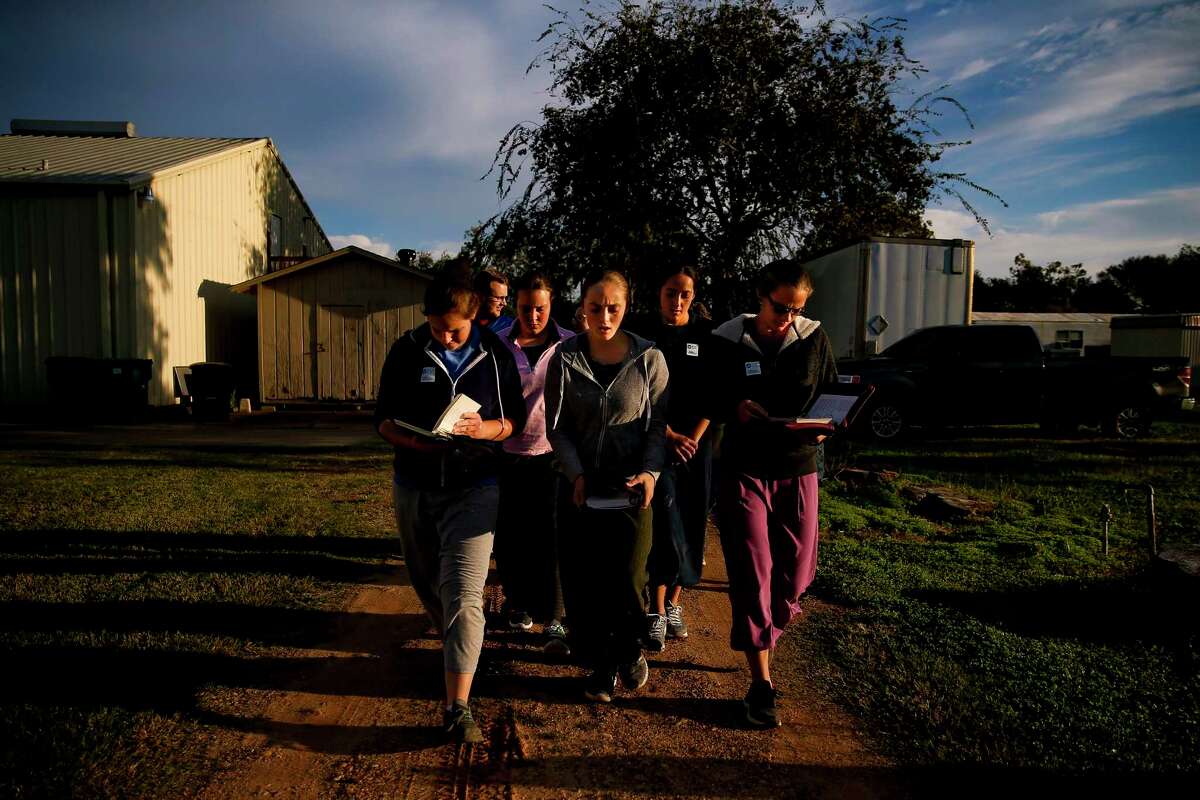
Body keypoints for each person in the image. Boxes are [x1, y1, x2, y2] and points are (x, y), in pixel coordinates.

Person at [374, 272, 527, 743]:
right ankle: (456, 646)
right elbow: (382, 420)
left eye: (454, 330)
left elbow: (513, 422)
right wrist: (414, 444)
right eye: (437, 328)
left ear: (473, 316)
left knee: (463, 592)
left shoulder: (496, 355)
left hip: (474, 486)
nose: (444, 337)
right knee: (427, 581)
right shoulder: (406, 349)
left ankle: (456, 706)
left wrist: (485, 431)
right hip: (415, 485)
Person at [711, 259, 837, 728]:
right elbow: (708, 394)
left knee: (798, 573)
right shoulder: (725, 339)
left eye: (796, 309)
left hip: (798, 468)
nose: (787, 317)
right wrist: (734, 406)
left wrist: (825, 428)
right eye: (780, 307)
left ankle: (765, 628)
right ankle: (760, 681)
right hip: (744, 468)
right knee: (752, 571)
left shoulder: (814, 338)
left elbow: (829, 392)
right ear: (760, 297)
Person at [545, 269, 669, 703]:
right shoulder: (564, 357)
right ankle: (601, 665)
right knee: (584, 581)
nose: (603, 315)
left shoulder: (649, 358)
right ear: (582, 307)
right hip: (580, 486)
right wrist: (575, 474)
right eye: (595, 307)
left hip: (632, 489)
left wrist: (650, 473)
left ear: (626, 307)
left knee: (629, 577)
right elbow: (556, 427)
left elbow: (657, 428)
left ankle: (629, 649)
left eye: (613, 307)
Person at [624, 265, 715, 652]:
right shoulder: (643, 337)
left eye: (685, 294)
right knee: (663, 523)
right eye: (670, 293)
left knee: (693, 522)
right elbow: (638, 396)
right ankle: (656, 610)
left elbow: (715, 395)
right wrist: (669, 436)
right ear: (658, 294)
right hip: (656, 442)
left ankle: (675, 602)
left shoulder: (706, 336)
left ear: (693, 297)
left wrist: (691, 438)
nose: (677, 301)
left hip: (698, 446)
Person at [494, 273, 575, 652]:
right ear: (516, 306)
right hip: (506, 453)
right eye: (526, 308)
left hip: (552, 456)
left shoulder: (571, 344)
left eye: (540, 308)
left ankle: (556, 617)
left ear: (551, 303)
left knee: (554, 538)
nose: (533, 315)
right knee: (511, 536)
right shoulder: (497, 343)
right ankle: (517, 601)